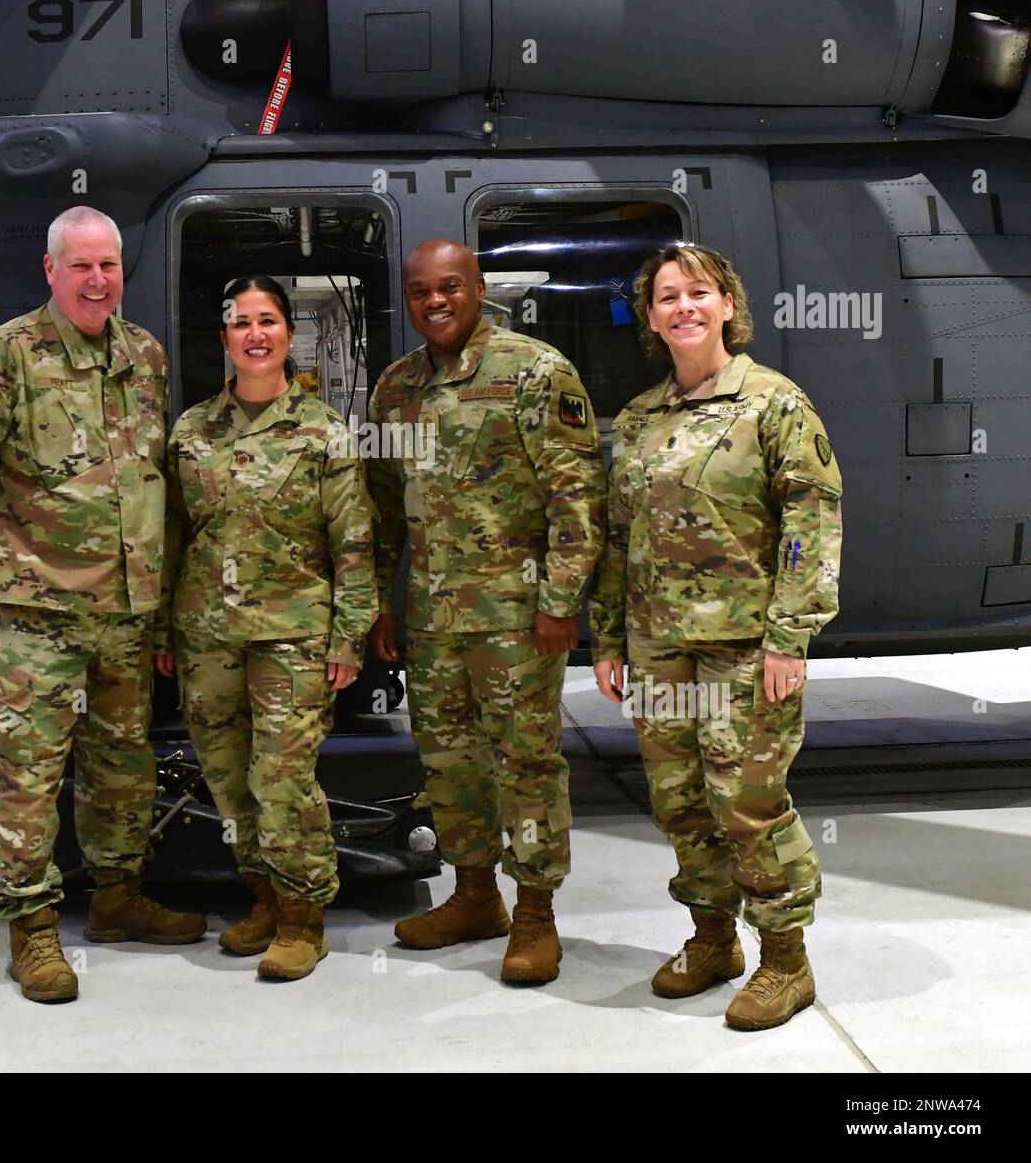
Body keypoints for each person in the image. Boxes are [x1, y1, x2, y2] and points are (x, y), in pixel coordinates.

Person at [0, 205, 205, 1005]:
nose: (96, 280)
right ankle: (32, 928)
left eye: (108, 265)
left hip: (123, 611)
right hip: (35, 615)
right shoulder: (7, 357)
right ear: (51, 272)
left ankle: (117, 898)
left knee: (122, 764)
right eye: (80, 266)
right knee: (28, 774)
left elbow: (145, 475)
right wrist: (13, 543)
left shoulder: (142, 354)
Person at [591, 244, 843, 1031]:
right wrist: (607, 637)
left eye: (697, 292)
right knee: (680, 801)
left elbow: (812, 516)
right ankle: (711, 941)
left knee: (749, 802)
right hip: (659, 644)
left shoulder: (773, 403)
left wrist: (789, 638)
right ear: (652, 318)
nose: (683, 307)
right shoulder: (638, 418)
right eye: (667, 297)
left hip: (743, 644)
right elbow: (617, 535)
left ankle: (784, 961)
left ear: (727, 304)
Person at [368, 240, 605, 984]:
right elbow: (379, 507)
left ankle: (535, 912)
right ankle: (474, 896)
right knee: (449, 765)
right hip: (433, 622)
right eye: (418, 291)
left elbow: (578, 497)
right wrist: (378, 598)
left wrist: (560, 603)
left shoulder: (534, 371)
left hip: (518, 620)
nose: (433, 301)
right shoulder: (395, 389)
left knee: (526, 766)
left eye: (448, 287)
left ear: (476, 289)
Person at [159, 275, 377, 981]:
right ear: (224, 338)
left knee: (281, 778)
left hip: (295, 633)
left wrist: (348, 637)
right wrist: (165, 631)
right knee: (226, 780)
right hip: (206, 634)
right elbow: (170, 538)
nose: (255, 334)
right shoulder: (192, 431)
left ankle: (303, 916)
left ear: (288, 333)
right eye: (240, 323)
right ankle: (263, 897)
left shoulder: (323, 430)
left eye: (268, 321)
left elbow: (353, 542)